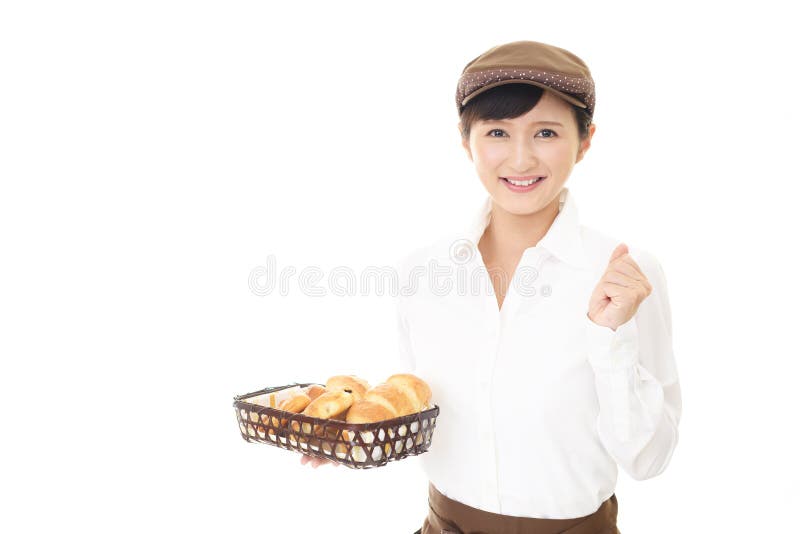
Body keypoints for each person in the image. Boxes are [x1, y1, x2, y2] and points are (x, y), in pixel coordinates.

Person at [394, 40, 682, 533]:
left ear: (584, 141)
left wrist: (610, 336)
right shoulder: (423, 272)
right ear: (467, 143)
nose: (521, 159)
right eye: (498, 132)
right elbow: (418, 414)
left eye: (545, 132)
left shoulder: (625, 276)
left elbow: (648, 459)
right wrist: (346, 438)